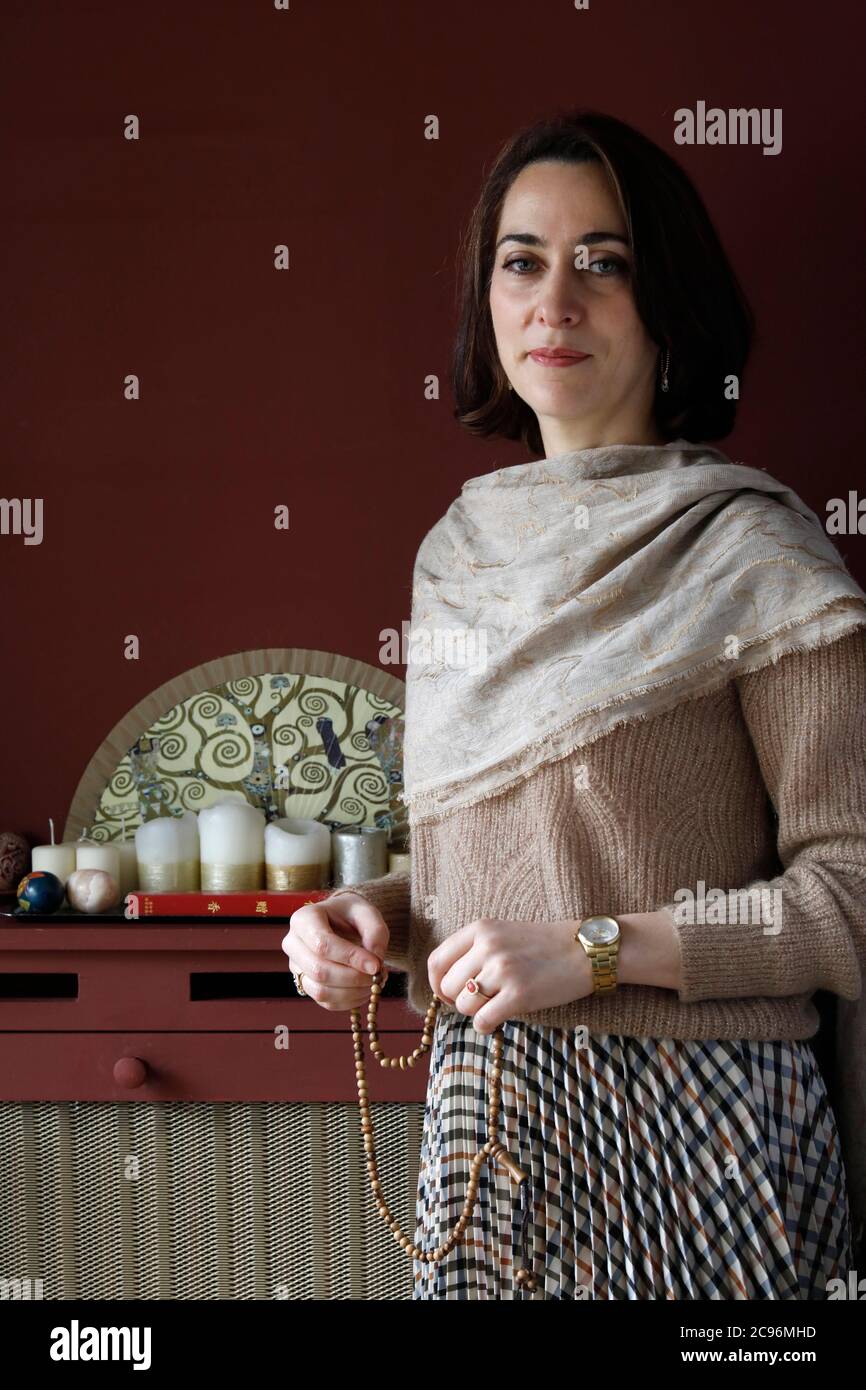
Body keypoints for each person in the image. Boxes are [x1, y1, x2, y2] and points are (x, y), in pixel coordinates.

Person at [283, 109, 866, 1300]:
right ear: (485, 303)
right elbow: (500, 881)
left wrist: (594, 954)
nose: (555, 300)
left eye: (603, 263)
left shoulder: (752, 552)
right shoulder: (454, 556)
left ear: (667, 308)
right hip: (488, 1128)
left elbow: (849, 896)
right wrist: (368, 919)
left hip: (705, 1137)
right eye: (522, 260)